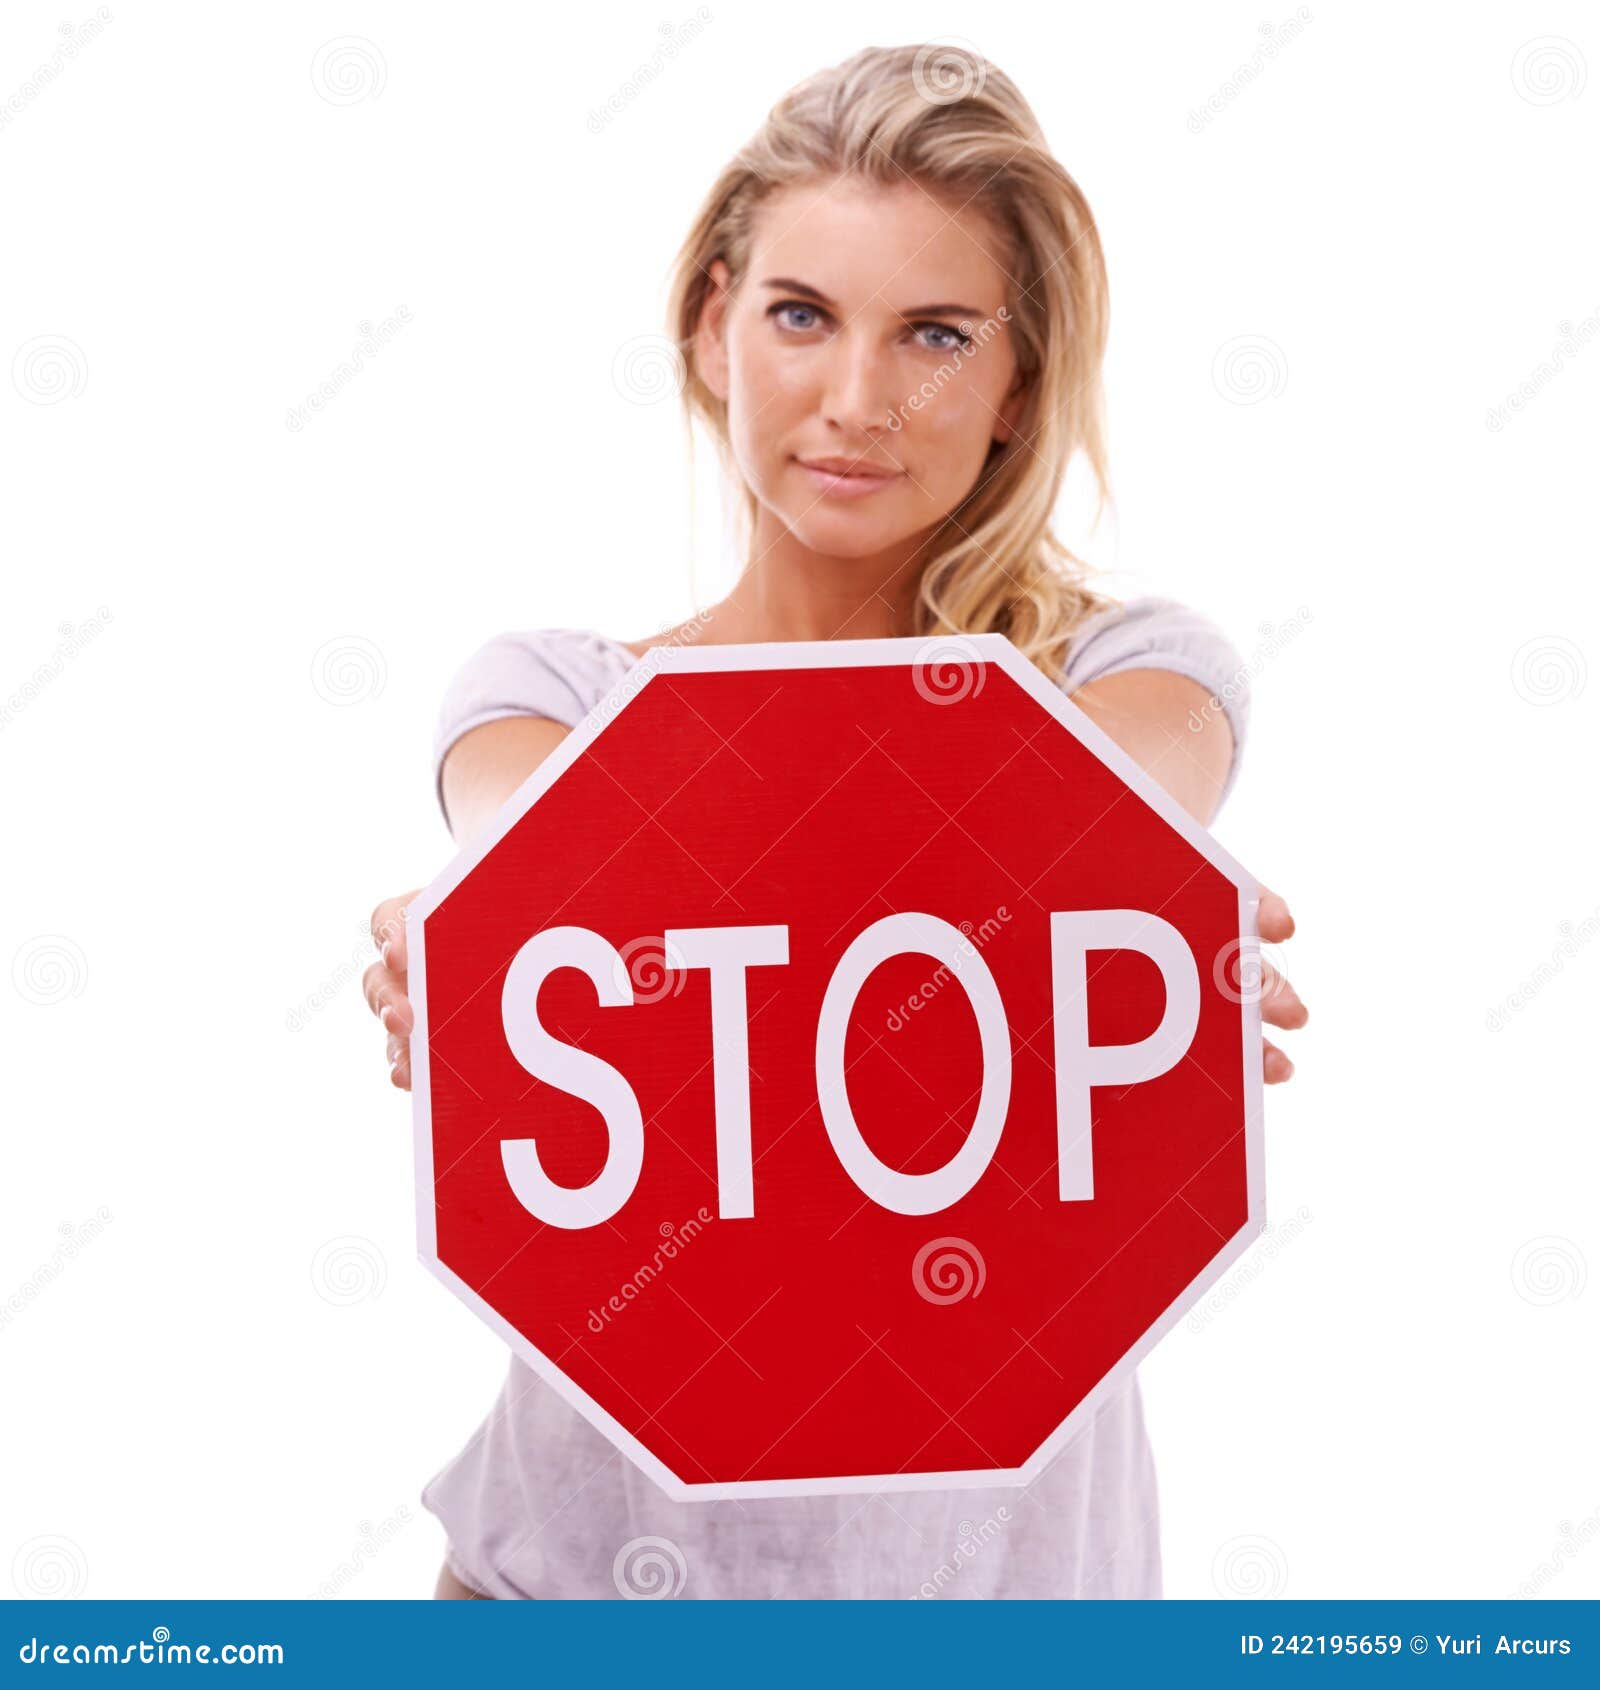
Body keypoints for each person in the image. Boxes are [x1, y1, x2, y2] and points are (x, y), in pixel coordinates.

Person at [363, 42, 1308, 1600]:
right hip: (574, 1592)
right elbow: (543, 846)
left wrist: (1140, 940)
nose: (855, 401)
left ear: (1017, 383)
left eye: (935, 334)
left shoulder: (1133, 675)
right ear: (710, 327)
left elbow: (1089, 811)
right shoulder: (541, 697)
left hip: (1003, 1602)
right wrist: (481, 934)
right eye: (801, 314)